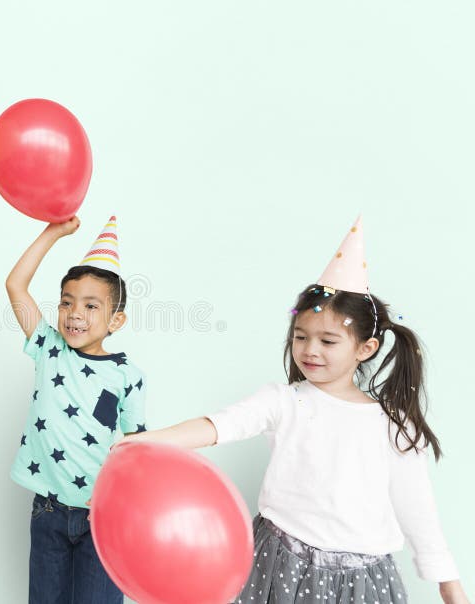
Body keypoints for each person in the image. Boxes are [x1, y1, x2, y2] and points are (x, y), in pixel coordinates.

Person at [123, 217, 468, 603]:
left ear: (364, 349)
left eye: (328, 340)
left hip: (362, 581)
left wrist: (448, 581)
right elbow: (220, 426)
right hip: (279, 562)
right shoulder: (284, 400)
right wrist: (147, 441)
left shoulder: (392, 425)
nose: (310, 350)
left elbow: (416, 506)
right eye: (301, 337)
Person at [6, 216, 146, 603]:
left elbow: (137, 447)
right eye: (66, 303)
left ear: (116, 319)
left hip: (102, 515)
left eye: (90, 305)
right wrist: (53, 233)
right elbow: (15, 284)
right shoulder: (49, 348)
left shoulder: (127, 375)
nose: (74, 313)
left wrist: (127, 502)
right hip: (48, 508)